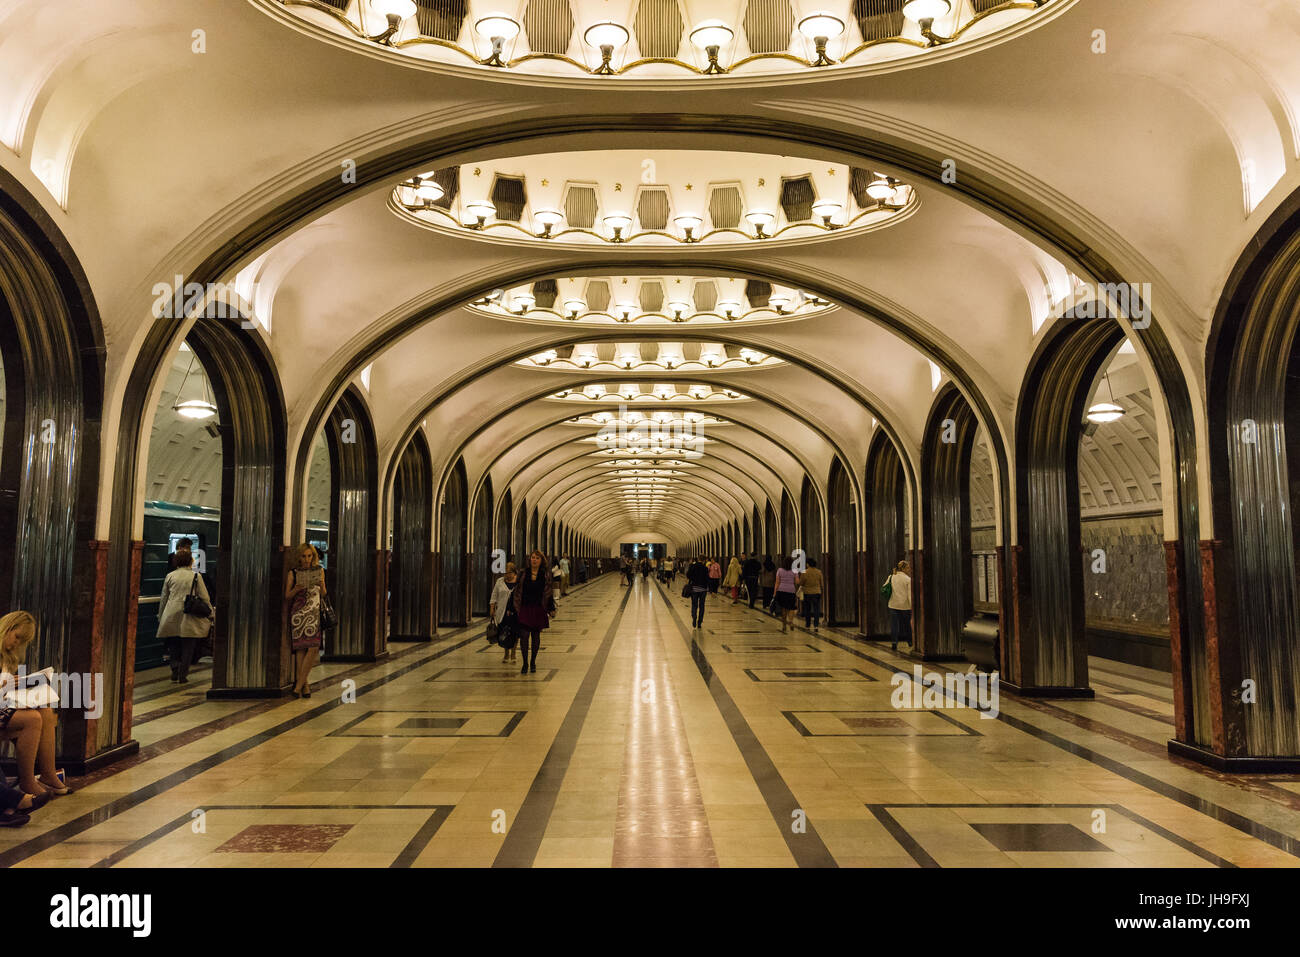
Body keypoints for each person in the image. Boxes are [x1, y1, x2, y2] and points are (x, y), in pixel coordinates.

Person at [0, 611, 71, 797]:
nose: (16, 644)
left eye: (21, 641)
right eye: (16, 637)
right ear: (8, 628)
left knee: (46, 712)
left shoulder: (7, 656)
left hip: (2, 704)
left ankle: (48, 773)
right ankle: (28, 781)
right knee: (31, 719)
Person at [157, 547, 214, 683]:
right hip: (189, 613)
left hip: (171, 613)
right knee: (188, 645)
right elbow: (204, 596)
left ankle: (175, 668)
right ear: (190, 561)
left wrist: (161, 615)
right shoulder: (195, 576)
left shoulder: (170, 575)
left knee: (174, 644)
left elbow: (164, 597)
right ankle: (183, 673)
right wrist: (211, 612)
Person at [285, 543, 326, 698]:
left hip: (314, 614)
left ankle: (299, 685)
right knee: (301, 649)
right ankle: (305, 685)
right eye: (304, 556)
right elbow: (287, 596)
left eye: (309, 556)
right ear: (299, 557)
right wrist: (296, 589)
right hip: (299, 613)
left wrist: (321, 585)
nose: (307, 559)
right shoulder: (293, 573)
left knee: (314, 648)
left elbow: (323, 593)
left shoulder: (319, 571)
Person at [513, 550, 553, 674]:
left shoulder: (545, 574)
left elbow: (548, 592)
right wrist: (512, 607)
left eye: (537, 558)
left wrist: (551, 608)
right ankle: (525, 663)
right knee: (524, 636)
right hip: (524, 608)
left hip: (538, 608)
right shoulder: (523, 573)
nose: (534, 560)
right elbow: (516, 591)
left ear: (541, 561)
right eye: (532, 558)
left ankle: (533, 662)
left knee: (536, 636)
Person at [490, 562, 520, 665]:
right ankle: (506, 653)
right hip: (502, 612)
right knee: (504, 633)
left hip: (515, 612)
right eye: (505, 573)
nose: (507, 575)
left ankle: (513, 653)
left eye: (509, 572)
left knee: (515, 633)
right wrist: (492, 608)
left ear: (514, 572)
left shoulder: (519, 582)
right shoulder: (500, 581)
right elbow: (494, 595)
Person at [886, 560, 913, 651]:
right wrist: (912, 606)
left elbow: (885, 586)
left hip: (893, 604)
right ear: (904, 568)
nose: (909, 569)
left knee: (894, 625)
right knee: (907, 625)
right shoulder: (908, 579)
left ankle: (894, 643)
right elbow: (910, 594)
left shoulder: (891, 576)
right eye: (908, 568)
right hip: (905, 606)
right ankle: (910, 641)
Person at [774, 556, 799, 632]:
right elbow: (797, 582)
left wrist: (775, 593)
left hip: (781, 590)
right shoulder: (795, 570)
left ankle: (784, 624)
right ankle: (791, 622)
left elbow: (777, 583)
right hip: (791, 590)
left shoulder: (780, 570)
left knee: (783, 608)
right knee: (791, 608)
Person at [799, 559, 824, 630]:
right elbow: (822, 584)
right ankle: (816, 625)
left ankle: (808, 624)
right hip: (817, 592)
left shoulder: (804, 572)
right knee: (816, 609)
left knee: (808, 609)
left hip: (807, 593)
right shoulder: (819, 572)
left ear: (808, 564)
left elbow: (801, 583)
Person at [686, 556, 710, 630]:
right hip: (703, 589)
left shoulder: (693, 566)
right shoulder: (705, 568)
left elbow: (688, 575)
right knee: (702, 605)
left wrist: (692, 579)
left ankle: (694, 617)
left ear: (698, 559)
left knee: (694, 604)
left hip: (694, 588)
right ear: (704, 560)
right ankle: (699, 622)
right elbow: (707, 578)